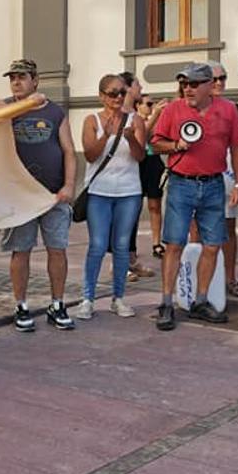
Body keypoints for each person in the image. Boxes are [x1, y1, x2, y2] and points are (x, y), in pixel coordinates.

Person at [150, 63, 238, 331]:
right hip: (181, 183)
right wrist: (175, 145)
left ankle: (201, 300)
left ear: (209, 85)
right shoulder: (172, 109)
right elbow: (155, 143)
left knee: (213, 244)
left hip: (214, 184)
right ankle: (167, 303)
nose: (188, 89)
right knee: (174, 245)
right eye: (185, 84)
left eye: (194, 84)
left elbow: (237, 148)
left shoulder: (227, 109)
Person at [0, 60, 77, 332]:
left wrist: (69, 185)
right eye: (12, 78)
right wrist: (23, 104)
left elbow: (69, 151)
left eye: (22, 77)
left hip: (52, 195)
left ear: (35, 80)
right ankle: (21, 305)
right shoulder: (6, 107)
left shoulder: (55, 112)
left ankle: (57, 303)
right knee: (21, 251)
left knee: (57, 249)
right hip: (19, 196)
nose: (16, 82)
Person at [78, 74, 145, 319]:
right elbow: (89, 155)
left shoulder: (135, 120)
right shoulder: (91, 120)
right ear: (101, 96)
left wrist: (129, 138)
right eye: (111, 93)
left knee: (121, 246)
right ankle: (88, 299)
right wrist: (106, 135)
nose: (117, 97)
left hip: (129, 192)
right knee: (97, 245)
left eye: (121, 92)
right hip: (99, 192)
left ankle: (119, 298)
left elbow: (140, 156)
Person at [208, 61, 238, 298]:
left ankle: (230, 278)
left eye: (222, 78)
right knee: (198, 232)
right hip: (202, 177)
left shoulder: (233, 107)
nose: (219, 83)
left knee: (228, 229)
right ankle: (201, 280)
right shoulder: (193, 105)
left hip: (226, 178)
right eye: (214, 79)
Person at [116, 72, 155, 281]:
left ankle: (130, 259)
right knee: (121, 220)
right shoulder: (119, 112)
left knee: (132, 217)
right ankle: (120, 264)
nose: (140, 88)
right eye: (138, 84)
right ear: (128, 87)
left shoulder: (135, 114)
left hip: (137, 170)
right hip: (121, 173)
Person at [134, 95, 169, 270]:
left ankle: (157, 242)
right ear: (138, 106)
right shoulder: (136, 121)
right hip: (139, 164)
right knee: (135, 206)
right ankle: (130, 246)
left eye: (152, 104)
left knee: (155, 204)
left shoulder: (155, 120)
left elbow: (158, 139)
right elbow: (144, 135)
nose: (150, 107)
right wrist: (155, 115)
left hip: (153, 162)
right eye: (147, 104)